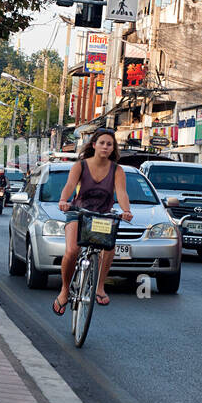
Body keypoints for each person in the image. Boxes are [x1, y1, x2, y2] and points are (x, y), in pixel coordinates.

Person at [52, 127, 133, 315]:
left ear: (113, 148)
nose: (105, 147)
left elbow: (121, 192)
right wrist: (63, 201)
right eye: (102, 143)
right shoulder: (80, 165)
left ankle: (100, 286)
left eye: (109, 144)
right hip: (79, 212)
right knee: (72, 250)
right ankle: (65, 290)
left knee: (109, 247)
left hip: (102, 215)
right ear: (94, 145)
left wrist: (126, 211)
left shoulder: (117, 170)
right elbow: (70, 185)